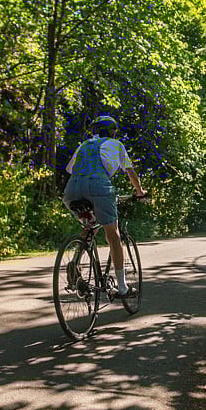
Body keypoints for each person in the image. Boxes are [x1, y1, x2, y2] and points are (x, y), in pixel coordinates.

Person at [63, 114, 147, 296]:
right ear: (113, 132)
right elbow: (131, 172)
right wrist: (139, 192)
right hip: (99, 188)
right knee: (113, 234)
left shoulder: (83, 145)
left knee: (90, 225)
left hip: (71, 190)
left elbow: (70, 169)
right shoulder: (116, 145)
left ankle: (76, 261)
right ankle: (123, 287)